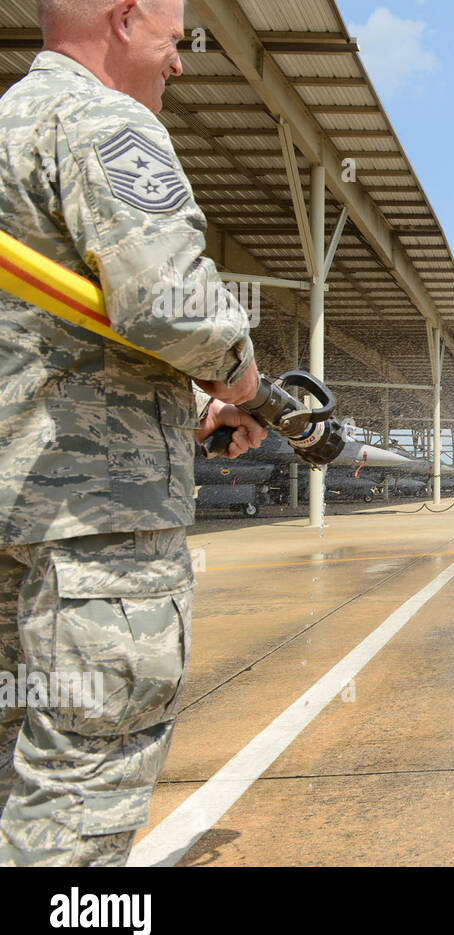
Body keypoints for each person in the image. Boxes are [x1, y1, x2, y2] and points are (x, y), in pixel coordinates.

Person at [0, 0, 266, 866]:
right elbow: (168, 301)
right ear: (122, 18)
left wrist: (194, 413)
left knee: (17, 769)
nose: (180, 64)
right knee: (81, 780)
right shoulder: (103, 120)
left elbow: (47, 339)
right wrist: (240, 374)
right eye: (175, 38)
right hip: (96, 528)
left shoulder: (9, 126)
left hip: (17, 511)